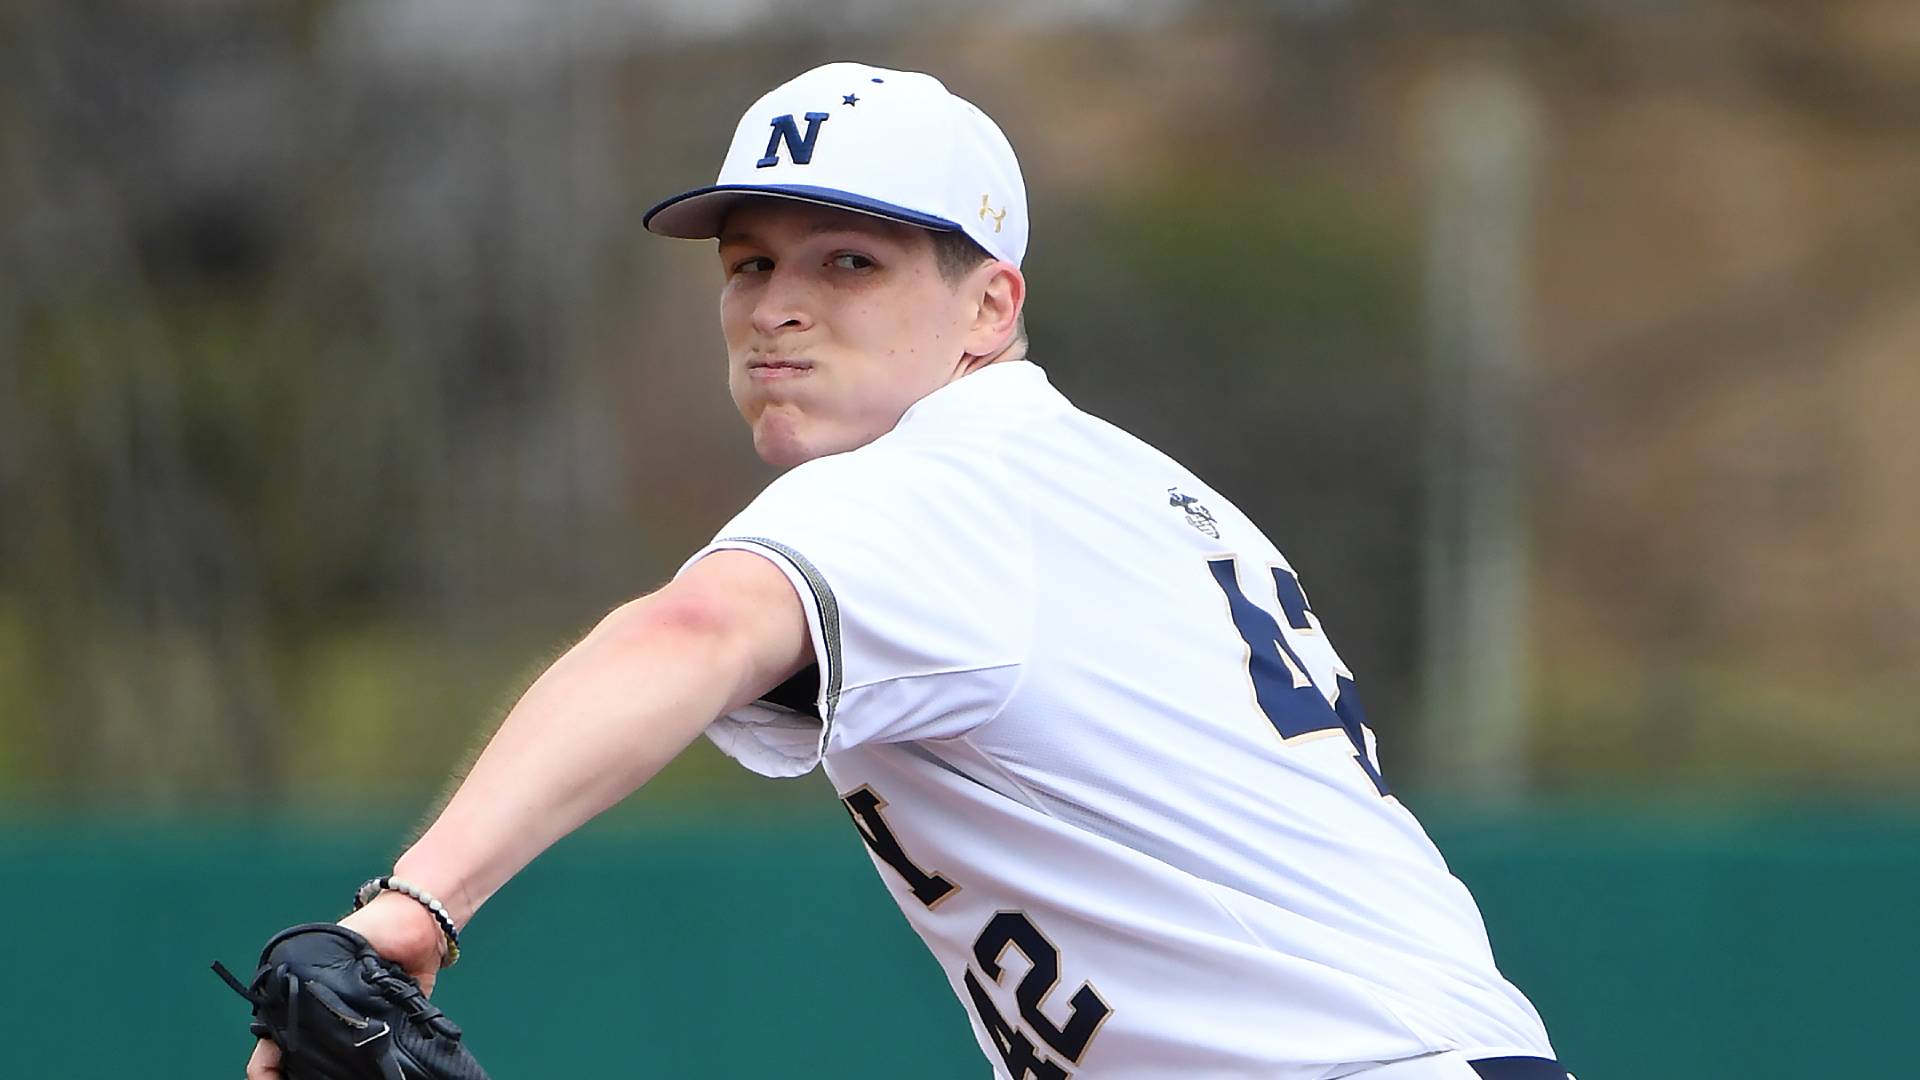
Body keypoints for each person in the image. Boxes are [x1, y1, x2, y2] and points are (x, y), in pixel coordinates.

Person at [247, 62, 1568, 1079]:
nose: (779, 304)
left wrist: (414, 907)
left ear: (990, 305)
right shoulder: (1113, 484)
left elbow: (693, 630)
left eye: (852, 263)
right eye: (751, 262)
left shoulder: (950, 481)